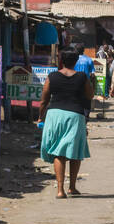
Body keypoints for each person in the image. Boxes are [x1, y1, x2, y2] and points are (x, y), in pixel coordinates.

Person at [38, 47, 94, 198]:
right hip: (75, 115)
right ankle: (72, 187)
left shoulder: (52, 76)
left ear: (62, 60)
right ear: (76, 61)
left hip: (55, 115)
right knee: (75, 152)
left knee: (58, 152)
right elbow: (90, 95)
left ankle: (60, 190)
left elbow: (44, 100)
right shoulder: (82, 76)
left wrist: (40, 117)